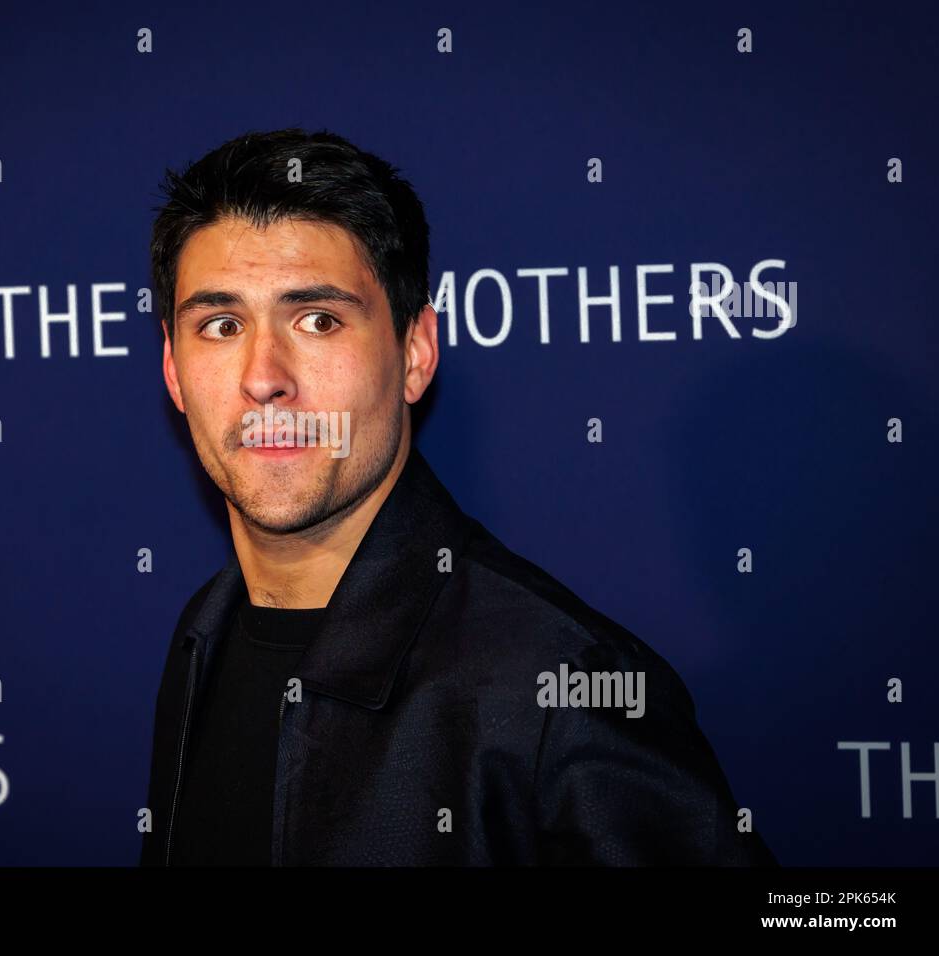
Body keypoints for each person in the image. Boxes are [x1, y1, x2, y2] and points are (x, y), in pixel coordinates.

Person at [138, 127, 776, 866]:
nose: (264, 376)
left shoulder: (566, 688)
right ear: (175, 372)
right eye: (220, 325)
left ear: (415, 353)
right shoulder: (202, 634)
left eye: (318, 319)